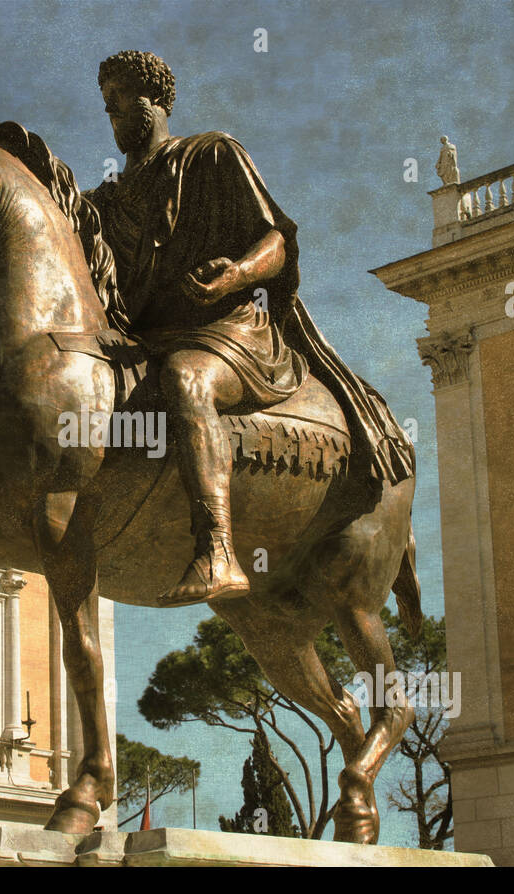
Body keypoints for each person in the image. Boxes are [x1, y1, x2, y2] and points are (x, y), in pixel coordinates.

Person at [85, 50, 414, 606]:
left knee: (187, 380)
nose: (111, 111)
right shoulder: (109, 198)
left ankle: (217, 549)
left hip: (230, 330)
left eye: (120, 98)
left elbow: (276, 244)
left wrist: (235, 274)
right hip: (150, 341)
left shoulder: (211, 153)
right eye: (106, 104)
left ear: (155, 100)